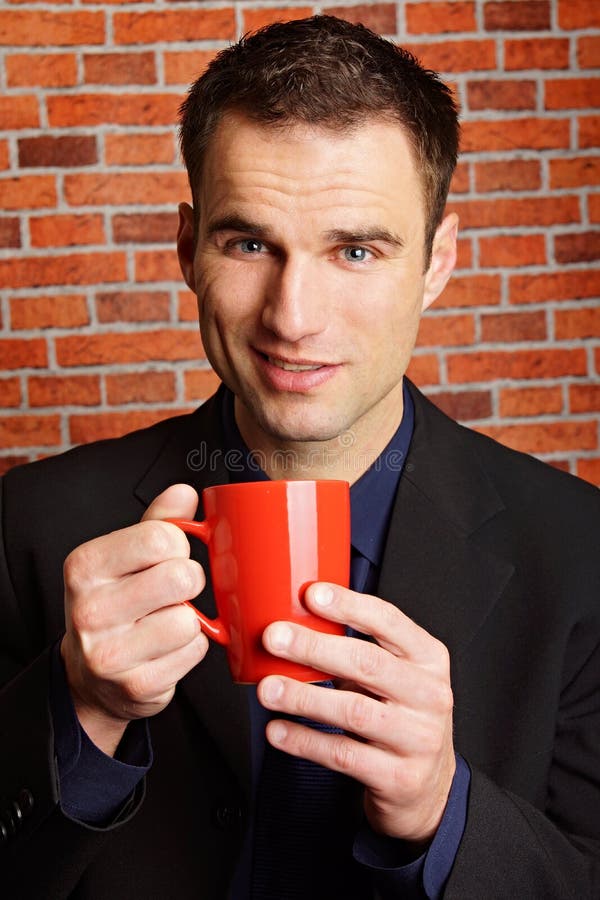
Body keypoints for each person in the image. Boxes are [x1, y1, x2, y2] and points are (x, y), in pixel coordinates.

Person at [0, 15, 598, 899]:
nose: (293, 317)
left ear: (438, 262)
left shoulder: (581, 549)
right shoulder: (30, 526)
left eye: (356, 250)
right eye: (249, 243)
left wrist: (447, 808)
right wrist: (79, 712)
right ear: (186, 248)